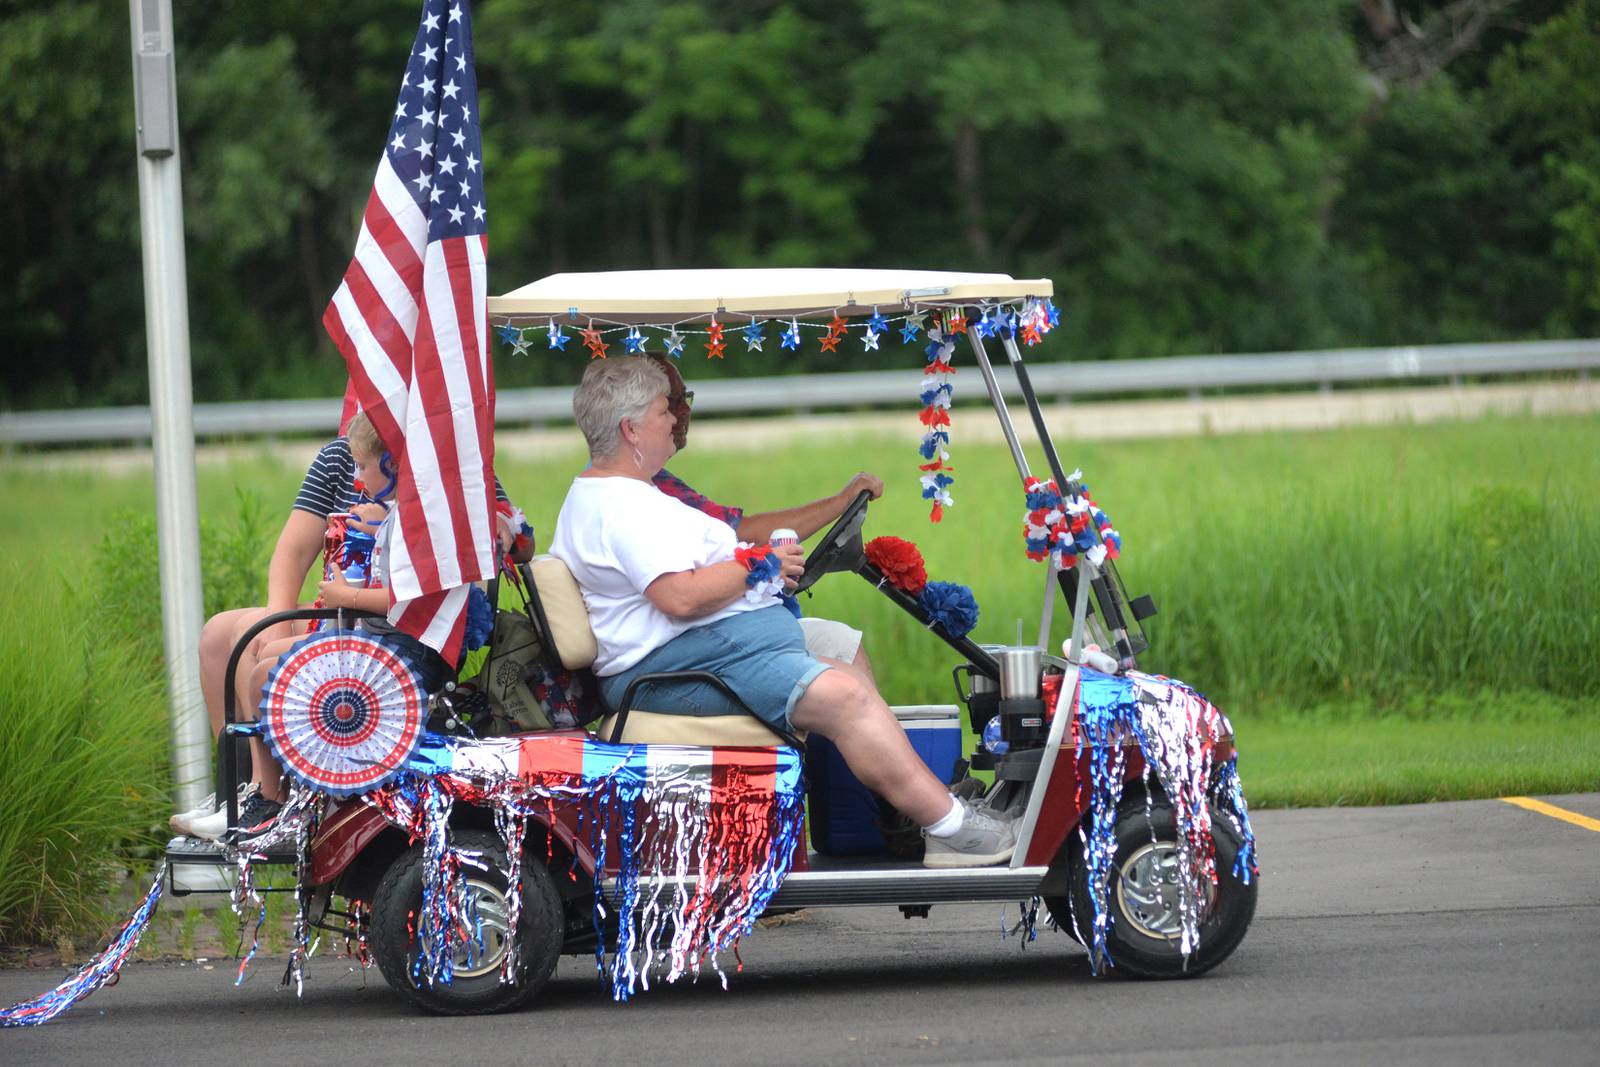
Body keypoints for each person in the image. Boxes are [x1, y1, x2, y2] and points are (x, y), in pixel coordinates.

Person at [550, 358, 1015, 868]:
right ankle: (951, 828)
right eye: (665, 411)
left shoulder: (629, 493)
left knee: (842, 657)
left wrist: (764, 565)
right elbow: (679, 597)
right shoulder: (622, 507)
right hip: (675, 663)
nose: (675, 421)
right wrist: (761, 566)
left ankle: (898, 814)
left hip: (709, 646)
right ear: (631, 428)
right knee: (843, 695)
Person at [172, 429, 532, 840]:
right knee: (249, 654)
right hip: (365, 626)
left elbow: (414, 598)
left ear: (392, 465)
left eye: (362, 467)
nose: (357, 478)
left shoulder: (432, 498)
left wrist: (349, 595)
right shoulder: (390, 502)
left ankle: (272, 797)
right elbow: (295, 550)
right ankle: (255, 793)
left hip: (394, 642)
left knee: (260, 669)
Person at [645, 353, 883, 681]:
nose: (683, 412)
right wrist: (839, 503)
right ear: (634, 420)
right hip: (705, 643)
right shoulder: (639, 491)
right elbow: (746, 535)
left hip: (723, 629)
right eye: (671, 403)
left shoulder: (659, 481)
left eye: (685, 398)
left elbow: (737, 533)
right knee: (842, 675)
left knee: (840, 643)